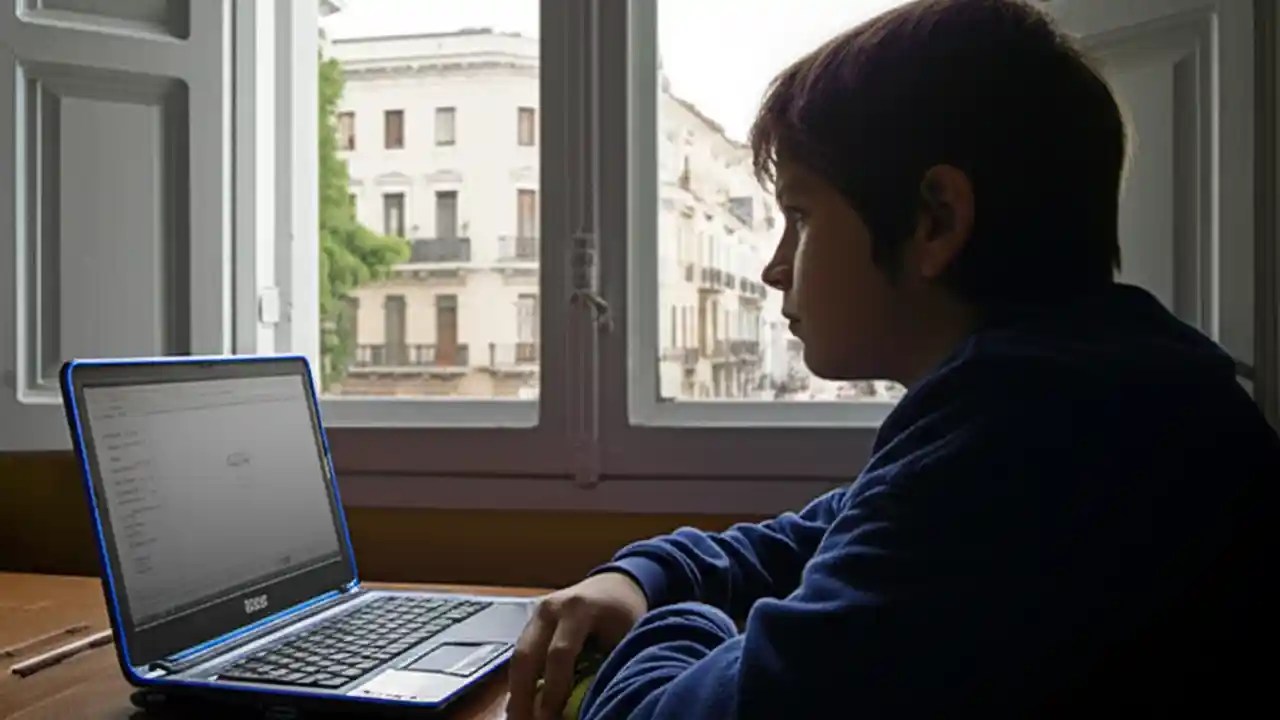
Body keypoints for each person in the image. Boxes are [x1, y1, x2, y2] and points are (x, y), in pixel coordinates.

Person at [506, 0, 1280, 717]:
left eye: (801, 216)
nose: (775, 266)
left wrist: (677, 621)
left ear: (934, 220)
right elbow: (817, 535)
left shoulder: (1030, 447)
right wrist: (640, 576)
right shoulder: (1076, 387)